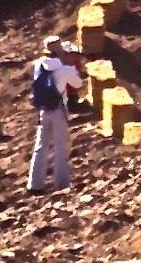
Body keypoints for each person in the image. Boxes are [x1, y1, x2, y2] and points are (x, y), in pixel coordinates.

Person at [27, 36, 83, 194]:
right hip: (58, 110)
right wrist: (70, 66)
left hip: (43, 110)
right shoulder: (64, 69)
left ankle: (35, 184)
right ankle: (62, 183)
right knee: (59, 147)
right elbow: (78, 84)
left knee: (40, 146)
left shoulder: (38, 65)